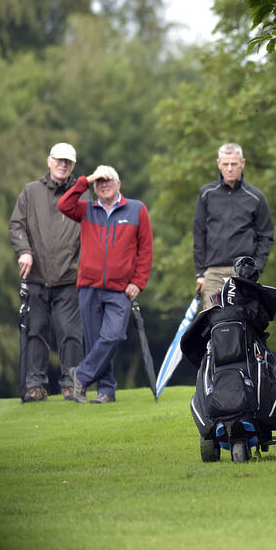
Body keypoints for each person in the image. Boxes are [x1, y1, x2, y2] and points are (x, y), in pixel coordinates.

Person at [58, 165, 153, 404]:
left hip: (121, 288)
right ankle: (106, 390)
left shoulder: (136, 209)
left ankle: (80, 375)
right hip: (88, 286)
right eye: (99, 182)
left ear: (119, 184)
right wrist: (86, 180)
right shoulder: (86, 209)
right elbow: (63, 205)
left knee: (113, 335)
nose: (103, 185)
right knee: (95, 343)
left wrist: (139, 282)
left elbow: (146, 250)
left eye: (108, 180)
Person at [9, 142, 86, 402]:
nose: (63, 164)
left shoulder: (82, 195)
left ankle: (71, 383)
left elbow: (93, 232)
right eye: (59, 160)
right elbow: (16, 225)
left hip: (70, 277)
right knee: (35, 332)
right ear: (49, 161)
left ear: (73, 165)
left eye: (68, 161)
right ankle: (35, 385)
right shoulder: (31, 192)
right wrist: (24, 251)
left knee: (71, 333)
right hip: (36, 277)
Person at [193, 143, 274, 307]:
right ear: (219, 164)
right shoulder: (206, 194)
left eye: (234, 164)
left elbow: (266, 235)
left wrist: (256, 267)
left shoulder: (256, 197)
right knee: (213, 324)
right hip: (213, 273)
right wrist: (201, 273)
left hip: (243, 274)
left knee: (242, 324)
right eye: (225, 164)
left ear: (242, 164)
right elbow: (199, 233)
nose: (229, 168)